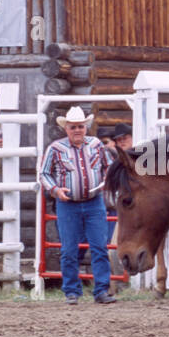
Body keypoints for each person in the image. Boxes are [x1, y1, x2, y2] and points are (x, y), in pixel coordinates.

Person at [39, 106, 116, 304]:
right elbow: (44, 174)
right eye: (73, 127)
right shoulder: (56, 148)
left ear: (86, 127)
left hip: (94, 202)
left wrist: (107, 179)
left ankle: (101, 290)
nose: (77, 130)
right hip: (68, 204)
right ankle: (72, 291)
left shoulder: (97, 145)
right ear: (67, 128)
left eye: (80, 126)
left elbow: (109, 166)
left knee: (99, 247)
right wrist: (56, 190)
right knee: (69, 250)